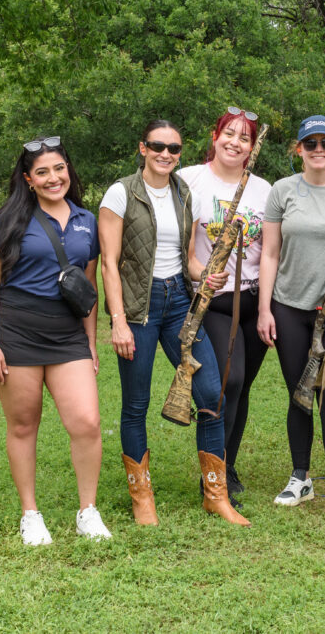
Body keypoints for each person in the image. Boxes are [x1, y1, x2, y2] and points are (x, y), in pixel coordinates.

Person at [99, 120, 248, 527]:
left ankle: (215, 494)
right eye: (158, 146)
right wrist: (118, 321)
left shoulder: (185, 194)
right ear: (142, 148)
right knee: (136, 405)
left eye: (174, 148)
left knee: (211, 395)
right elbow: (109, 264)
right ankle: (142, 497)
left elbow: (189, 259)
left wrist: (206, 276)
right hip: (138, 310)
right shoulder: (120, 193)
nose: (166, 154)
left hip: (179, 302)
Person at [0, 136, 112, 545]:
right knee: (23, 424)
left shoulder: (87, 220)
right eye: (43, 172)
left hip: (67, 333)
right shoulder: (10, 219)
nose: (54, 178)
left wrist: (90, 342)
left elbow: (87, 287)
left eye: (59, 168)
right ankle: (30, 514)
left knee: (87, 422)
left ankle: (87, 511)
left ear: (69, 170)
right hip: (16, 330)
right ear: (28, 180)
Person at [257, 114, 325, 528]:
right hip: (288, 306)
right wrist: (265, 308)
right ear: (298, 150)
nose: (318, 150)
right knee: (299, 395)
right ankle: (300, 477)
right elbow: (269, 253)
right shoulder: (282, 191)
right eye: (310, 143)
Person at [178, 107, 270, 508]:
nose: (235, 142)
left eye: (244, 137)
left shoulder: (264, 189)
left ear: (253, 146)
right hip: (212, 301)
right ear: (214, 137)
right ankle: (212, 471)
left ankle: (226, 465)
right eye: (229, 134)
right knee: (225, 385)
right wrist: (200, 274)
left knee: (243, 385)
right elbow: (178, 247)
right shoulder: (189, 181)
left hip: (252, 298)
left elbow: (270, 250)